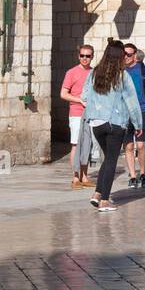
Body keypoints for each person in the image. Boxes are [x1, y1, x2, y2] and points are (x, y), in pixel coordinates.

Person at [80, 39, 143, 212]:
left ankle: (97, 193)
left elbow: (84, 97)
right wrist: (138, 124)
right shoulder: (123, 76)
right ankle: (105, 201)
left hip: (96, 123)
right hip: (115, 124)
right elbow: (132, 103)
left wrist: (96, 107)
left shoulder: (93, 74)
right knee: (111, 161)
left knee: (108, 159)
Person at [60, 43, 95, 188]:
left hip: (91, 113)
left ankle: (84, 176)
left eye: (88, 56)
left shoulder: (94, 72)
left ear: (92, 56)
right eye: (82, 55)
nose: (85, 58)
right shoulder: (71, 72)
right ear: (78, 56)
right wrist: (79, 100)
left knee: (87, 144)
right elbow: (63, 94)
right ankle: (75, 177)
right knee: (75, 144)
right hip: (76, 112)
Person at [122, 43, 145, 188]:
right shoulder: (120, 70)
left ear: (135, 55)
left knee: (140, 145)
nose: (126, 57)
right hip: (124, 112)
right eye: (124, 54)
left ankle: (142, 173)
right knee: (128, 146)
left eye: (129, 54)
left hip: (141, 111)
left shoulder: (142, 69)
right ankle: (133, 176)